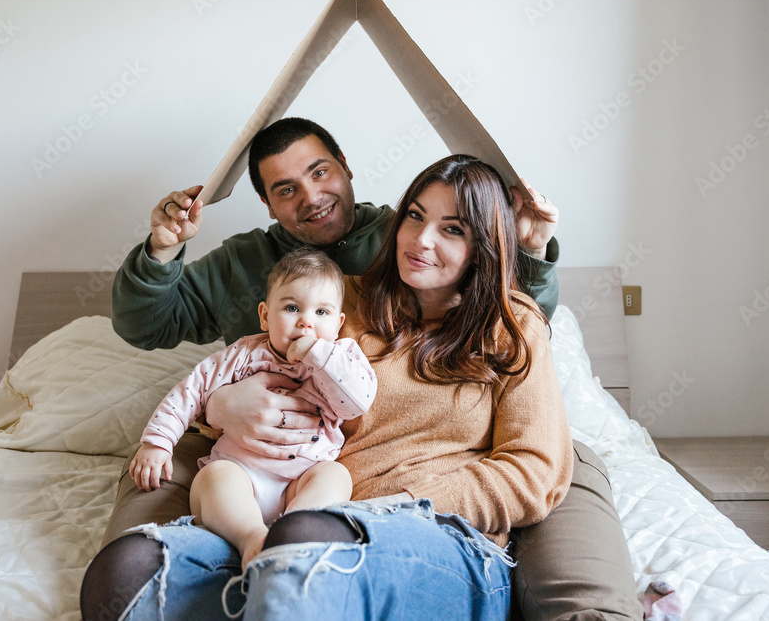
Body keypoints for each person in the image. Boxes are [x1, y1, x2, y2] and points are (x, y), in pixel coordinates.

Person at [81, 119, 641, 620]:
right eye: (416, 217)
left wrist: (385, 502)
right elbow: (248, 368)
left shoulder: (511, 323)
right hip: (293, 515)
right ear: (267, 202)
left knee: (305, 544)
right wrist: (216, 405)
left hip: (432, 533)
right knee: (127, 568)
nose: (421, 239)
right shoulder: (338, 304)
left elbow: (534, 467)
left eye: (453, 228)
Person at [129, 247, 376, 568]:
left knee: (336, 476)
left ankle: (294, 528)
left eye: (322, 313)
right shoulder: (244, 353)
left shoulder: (341, 358)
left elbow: (356, 403)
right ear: (264, 315)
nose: (306, 322)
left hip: (301, 479)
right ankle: (252, 538)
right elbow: (193, 389)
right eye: (291, 307)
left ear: (339, 323)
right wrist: (157, 442)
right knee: (213, 477)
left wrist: (320, 355)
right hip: (241, 472)